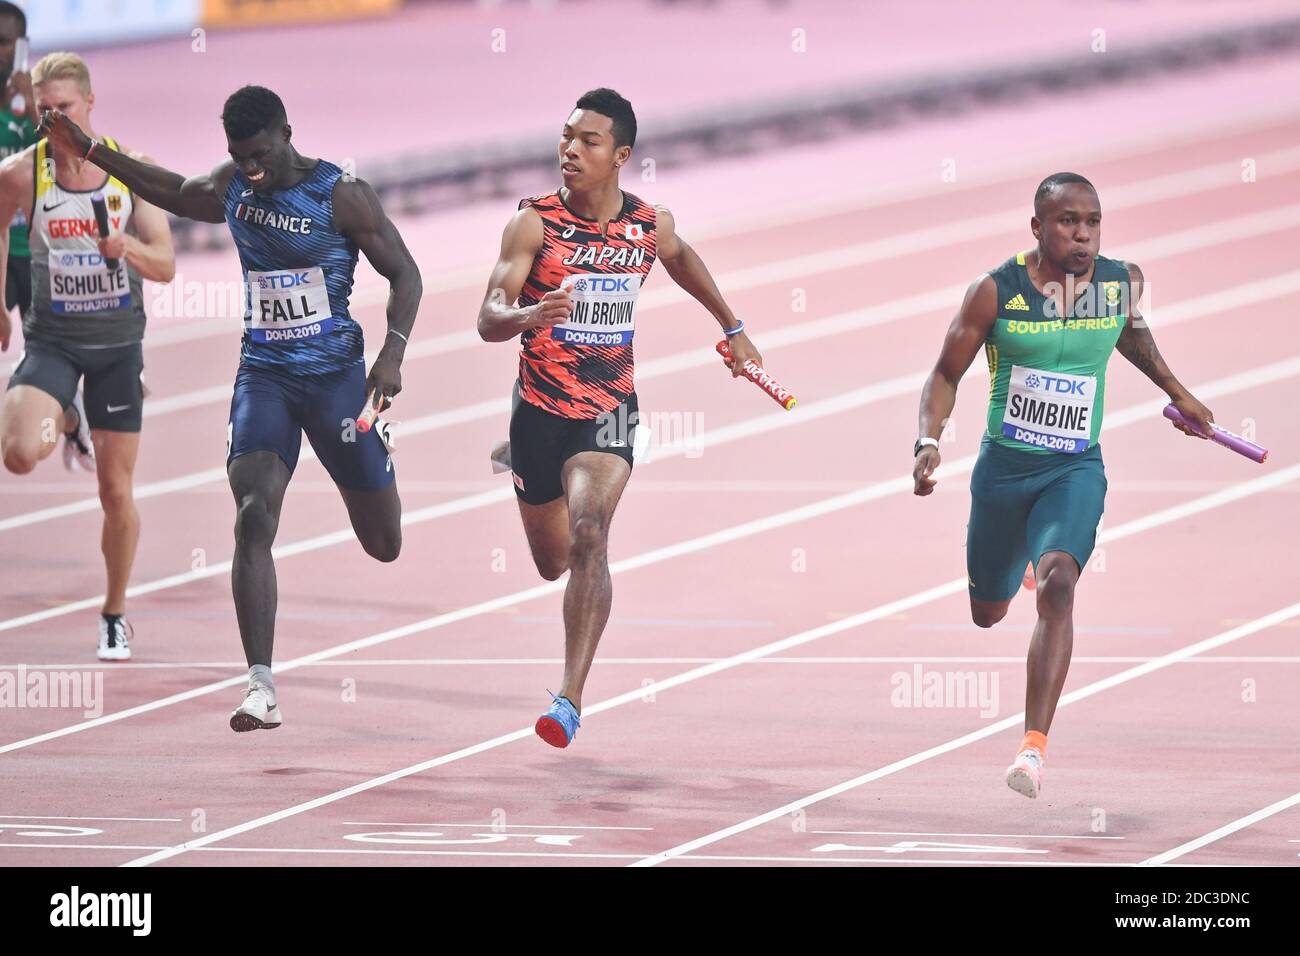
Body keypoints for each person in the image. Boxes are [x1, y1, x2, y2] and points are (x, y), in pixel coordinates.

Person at [41, 85, 422, 729]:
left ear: (287, 134)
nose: (250, 167)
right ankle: (261, 686)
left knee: (383, 544)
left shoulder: (341, 195)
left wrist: (393, 354)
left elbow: (406, 274)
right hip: (265, 377)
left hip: (335, 380)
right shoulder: (235, 186)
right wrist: (92, 150)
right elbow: (172, 190)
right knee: (252, 513)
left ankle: (375, 448)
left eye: (259, 154)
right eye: (237, 155)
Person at [912, 172, 1215, 798]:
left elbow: (1130, 331)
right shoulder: (994, 292)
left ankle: (1032, 749)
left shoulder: (1120, 282)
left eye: (1093, 222)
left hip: (1073, 468)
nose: (1082, 234)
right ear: (1037, 228)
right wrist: (928, 441)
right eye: (1068, 221)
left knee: (1059, 586)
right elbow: (945, 373)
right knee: (987, 614)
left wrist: (1176, 390)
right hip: (1003, 472)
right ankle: (1019, 559)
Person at [477, 88, 762, 748]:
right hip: (539, 411)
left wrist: (733, 328)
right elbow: (488, 318)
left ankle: (569, 700)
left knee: (590, 535)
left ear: (621, 156)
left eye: (589, 142)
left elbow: (682, 257)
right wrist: (528, 314)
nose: (570, 150)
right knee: (551, 563)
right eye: (566, 136)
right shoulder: (533, 225)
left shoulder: (646, 225)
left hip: (609, 412)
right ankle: (516, 462)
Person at [0, 52, 175, 661]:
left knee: (115, 492)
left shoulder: (133, 174)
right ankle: (66, 417)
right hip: (52, 343)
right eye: (45, 110)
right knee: (20, 452)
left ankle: (114, 612)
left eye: (65, 109)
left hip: (117, 351)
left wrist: (122, 245)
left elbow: (167, 266)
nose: (54, 121)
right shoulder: (24, 172)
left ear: (91, 105)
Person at [0, 2, 38, 322]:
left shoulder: (44, 104)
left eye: (3, 41)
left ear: (22, 47)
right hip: (0, 249)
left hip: (39, 252)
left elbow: (59, 170)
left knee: (49, 357)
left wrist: (34, 111)